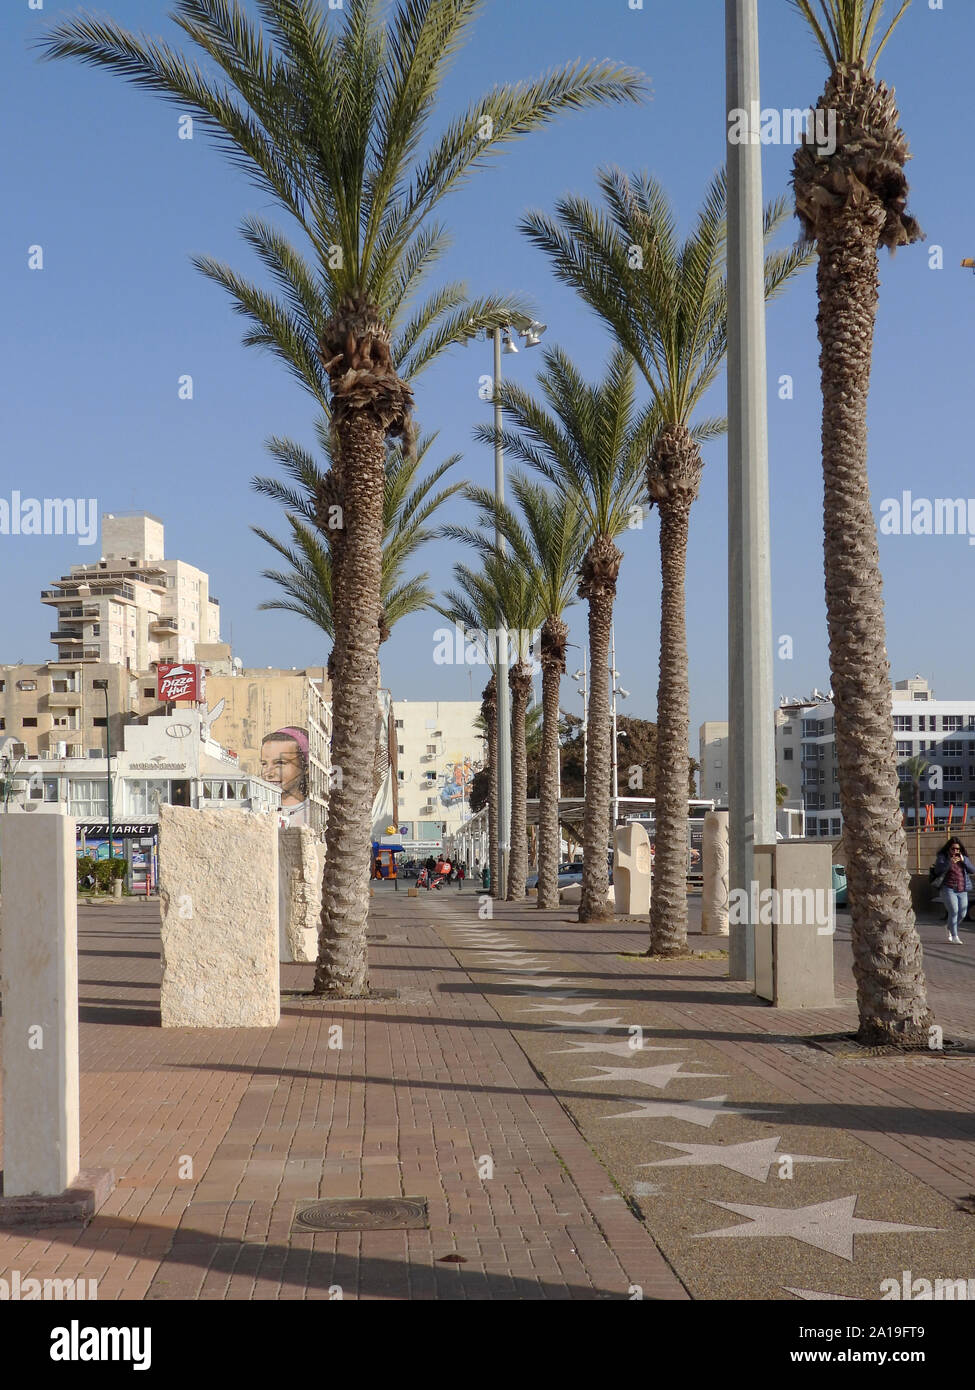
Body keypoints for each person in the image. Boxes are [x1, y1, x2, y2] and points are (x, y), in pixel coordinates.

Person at [930, 837, 975, 943]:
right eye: (953, 849)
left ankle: (950, 926)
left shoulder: (963, 858)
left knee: (962, 913)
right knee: (954, 910)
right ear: (948, 849)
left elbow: (972, 870)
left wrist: (964, 861)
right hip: (948, 888)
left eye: (957, 849)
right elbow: (938, 870)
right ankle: (954, 936)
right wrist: (949, 862)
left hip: (962, 889)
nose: (955, 851)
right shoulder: (943, 857)